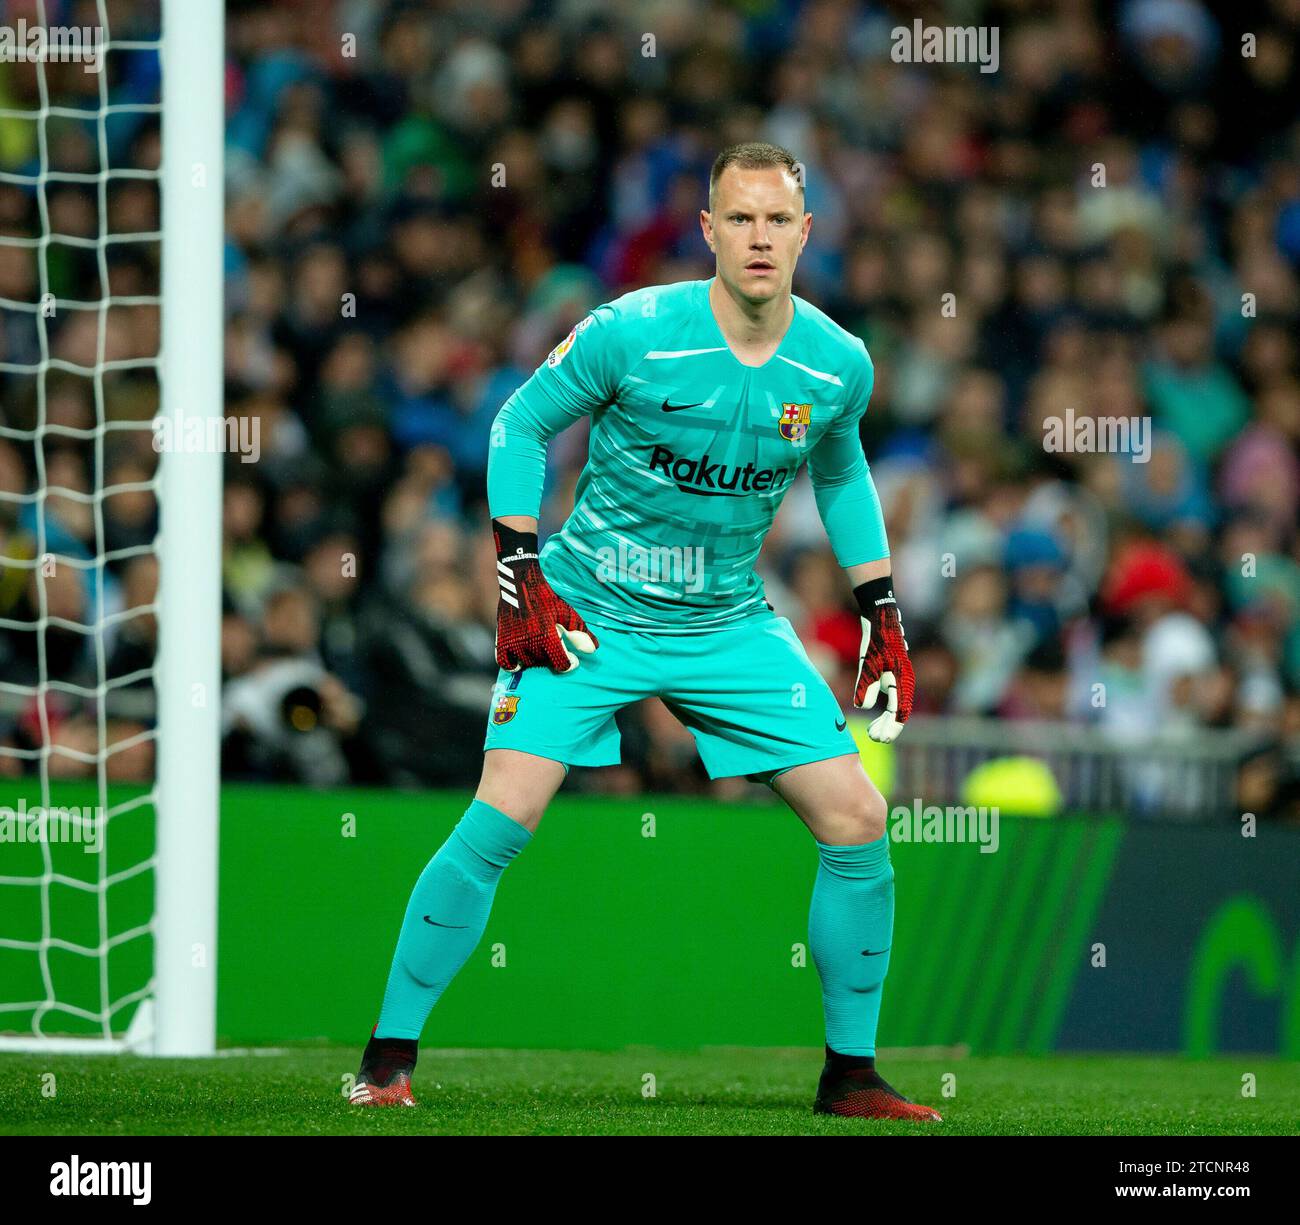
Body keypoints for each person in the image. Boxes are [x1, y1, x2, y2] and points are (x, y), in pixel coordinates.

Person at [350, 142, 940, 1122]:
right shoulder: (632, 330)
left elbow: (839, 474)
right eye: (738, 218)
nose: (758, 236)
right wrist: (518, 571)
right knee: (503, 813)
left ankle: (850, 1075)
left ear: (806, 232)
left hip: (725, 621)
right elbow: (517, 427)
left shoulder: (836, 363)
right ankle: (385, 1058)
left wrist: (881, 610)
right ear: (708, 232)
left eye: (776, 219)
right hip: (588, 607)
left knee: (857, 818)